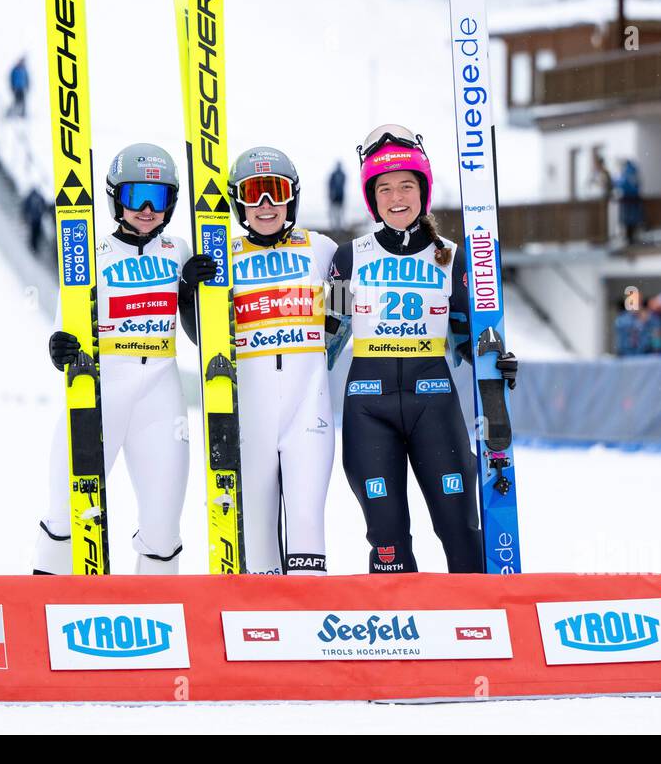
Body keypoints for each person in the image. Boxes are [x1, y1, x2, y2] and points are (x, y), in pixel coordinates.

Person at [329, 124, 516, 574]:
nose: (397, 197)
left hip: (434, 403)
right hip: (368, 409)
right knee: (387, 539)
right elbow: (326, 337)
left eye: (407, 186)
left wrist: (495, 355)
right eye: (385, 188)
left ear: (423, 192)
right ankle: (403, 632)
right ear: (372, 197)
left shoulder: (452, 257)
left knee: (460, 529)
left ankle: (478, 628)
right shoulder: (348, 258)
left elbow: (469, 333)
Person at [33, 144, 213, 575]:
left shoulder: (177, 248)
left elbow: (199, 337)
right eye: (135, 197)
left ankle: (156, 614)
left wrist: (189, 294)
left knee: (163, 523)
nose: (147, 209)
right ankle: (44, 604)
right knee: (67, 510)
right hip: (103, 389)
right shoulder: (92, 251)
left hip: (160, 395)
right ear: (116, 198)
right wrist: (59, 348)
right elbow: (66, 327)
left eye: (160, 198)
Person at [194, 146, 337, 574]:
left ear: (291, 196)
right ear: (239, 202)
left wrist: (320, 356)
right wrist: (190, 293)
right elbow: (201, 335)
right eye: (253, 193)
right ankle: (261, 633)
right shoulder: (224, 256)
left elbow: (347, 317)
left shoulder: (323, 250)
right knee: (256, 539)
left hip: (308, 414)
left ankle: (310, 626)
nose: (265, 205)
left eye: (274, 191)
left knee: (308, 529)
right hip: (250, 417)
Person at [327, 160, 346, 229]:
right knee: (335, 212)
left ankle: (338, 227)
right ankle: (335, 227)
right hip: (336, 197)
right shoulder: (336, 174)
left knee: (338, 212)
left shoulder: (341, 174)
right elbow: (330, 185)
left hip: (339, 197)